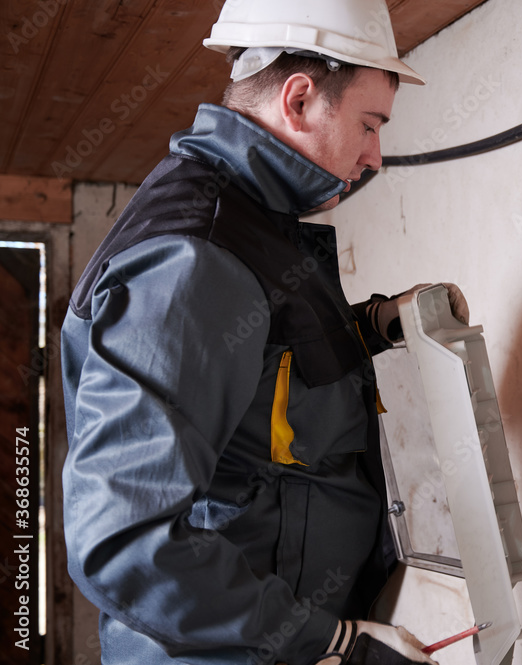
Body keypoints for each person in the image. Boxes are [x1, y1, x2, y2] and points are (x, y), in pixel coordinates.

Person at [60, 1, 467, 663]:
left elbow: (268, 380)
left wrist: (375, 324)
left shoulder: (251, 222)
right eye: (369, 125)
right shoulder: (194, 257)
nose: (376, 156)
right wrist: (333, 641)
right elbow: (124, 544)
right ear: (300, 99)